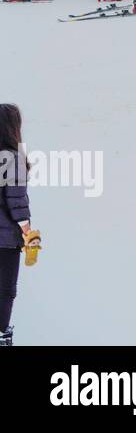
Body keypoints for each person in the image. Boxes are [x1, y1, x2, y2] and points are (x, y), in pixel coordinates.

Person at [0, 104, 39, 346]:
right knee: (5, 290)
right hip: (4, 239)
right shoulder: (12, 158)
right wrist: (29, 233)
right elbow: (16, 201)